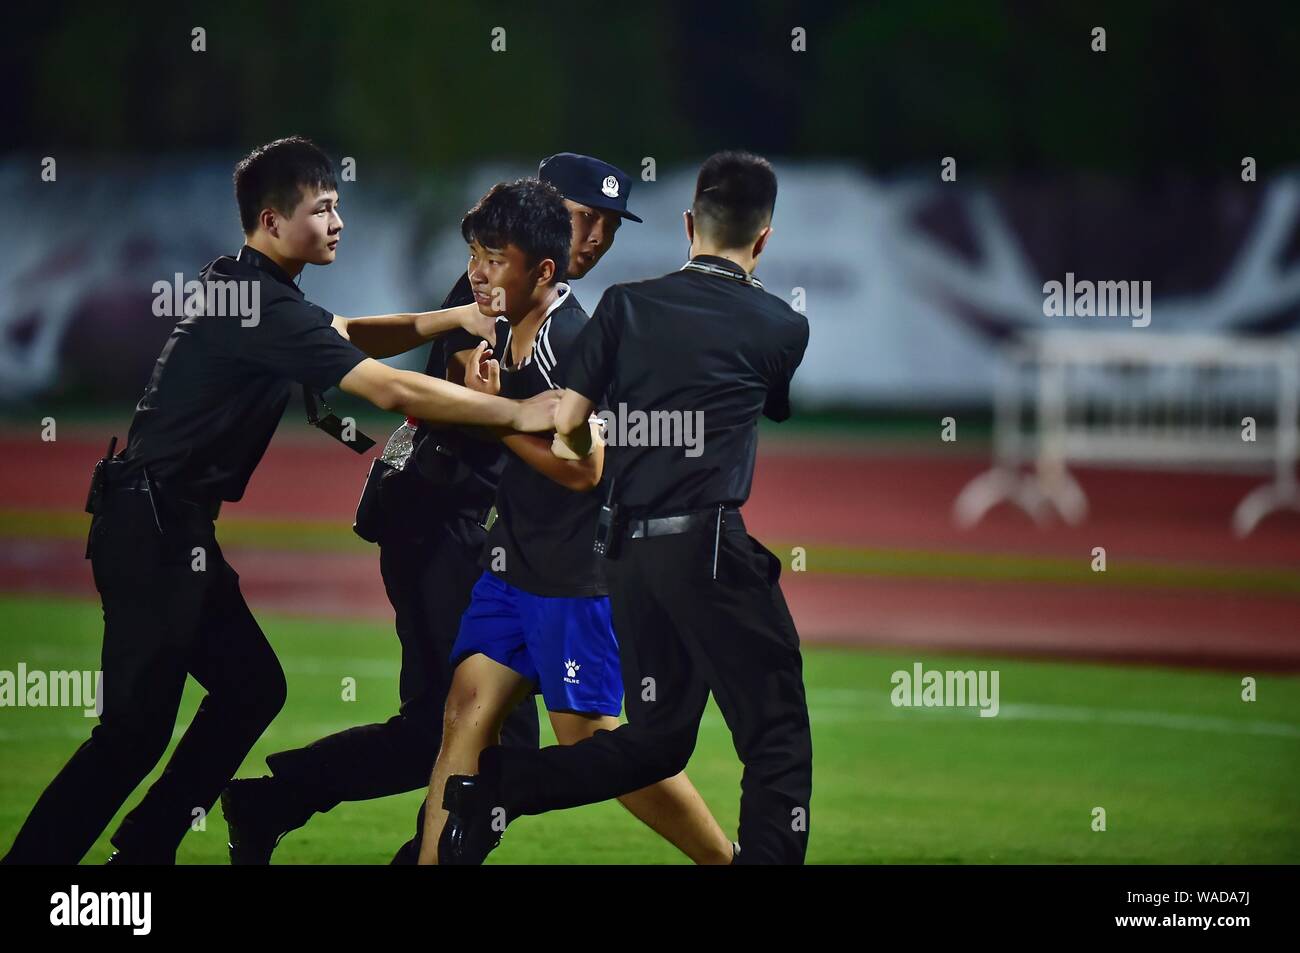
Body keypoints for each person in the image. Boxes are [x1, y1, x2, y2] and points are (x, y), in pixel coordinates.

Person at [0, 136, 556, 866]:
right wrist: (516, 413)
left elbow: (349, 334)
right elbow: (384, 387)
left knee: (251, 688)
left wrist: (449, 321)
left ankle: (146, 845)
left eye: (338, 208)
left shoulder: (256, 292)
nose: (337, 223)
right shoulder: (262, 305)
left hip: (166, 524)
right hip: (153, 528)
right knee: (132, 734)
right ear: (270, 220)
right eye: (322, 209)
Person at [220, 154, 640, 864]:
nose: (593, 236)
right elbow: (504, 425)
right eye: (579, 216)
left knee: (442, 732)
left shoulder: (542, 302)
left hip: (458, 528)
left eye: (607, 225)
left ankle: (273, 799)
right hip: (442, 522)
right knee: (489, 745)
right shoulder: (507, 290)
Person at [437, 151, 813, 865]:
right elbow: (770, 399)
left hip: (626, 559)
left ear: (687, 224)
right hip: (707, 545)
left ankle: (500, 786)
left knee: (654, 739)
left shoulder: (623, 306)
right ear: (763, 238)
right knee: (775, 734)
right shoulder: (781, 326)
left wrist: (522, 415)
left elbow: (573, 421)